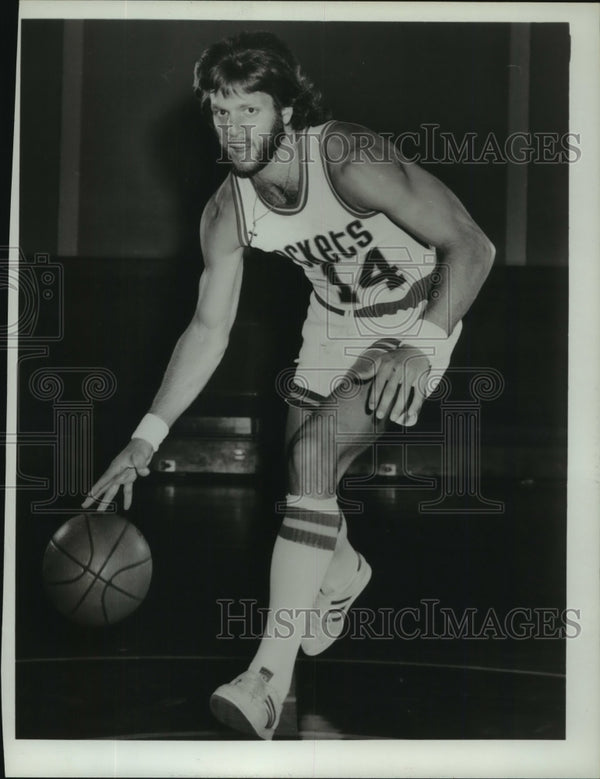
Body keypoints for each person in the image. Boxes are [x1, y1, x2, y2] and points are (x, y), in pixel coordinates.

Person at [82, 30, 495, 739]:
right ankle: (343, 573)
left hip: (414, 315)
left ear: (288, 111)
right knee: (303, 485)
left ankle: (266, 680)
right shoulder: (227, 210)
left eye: (251, 109)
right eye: (221, 112)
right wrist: (145, 438)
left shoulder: (347, 158)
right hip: (331, 325)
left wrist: (423, 346)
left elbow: (474, 246)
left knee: (311, 458)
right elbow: (208, 329)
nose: (234, 128)